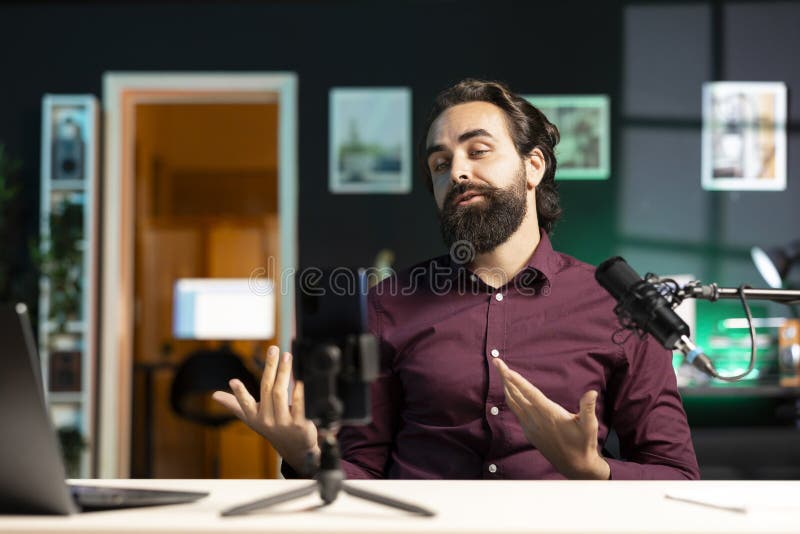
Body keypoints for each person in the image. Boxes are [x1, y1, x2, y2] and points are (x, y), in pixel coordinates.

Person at [213, 79, 700, 480]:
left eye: (478, 151)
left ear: (533, 166)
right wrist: (308, 457)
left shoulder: (618, 306)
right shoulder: (388, 305)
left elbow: (675, 473)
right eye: (440, 164)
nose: (458, 173)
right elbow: (362, 468)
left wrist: (593, 470)